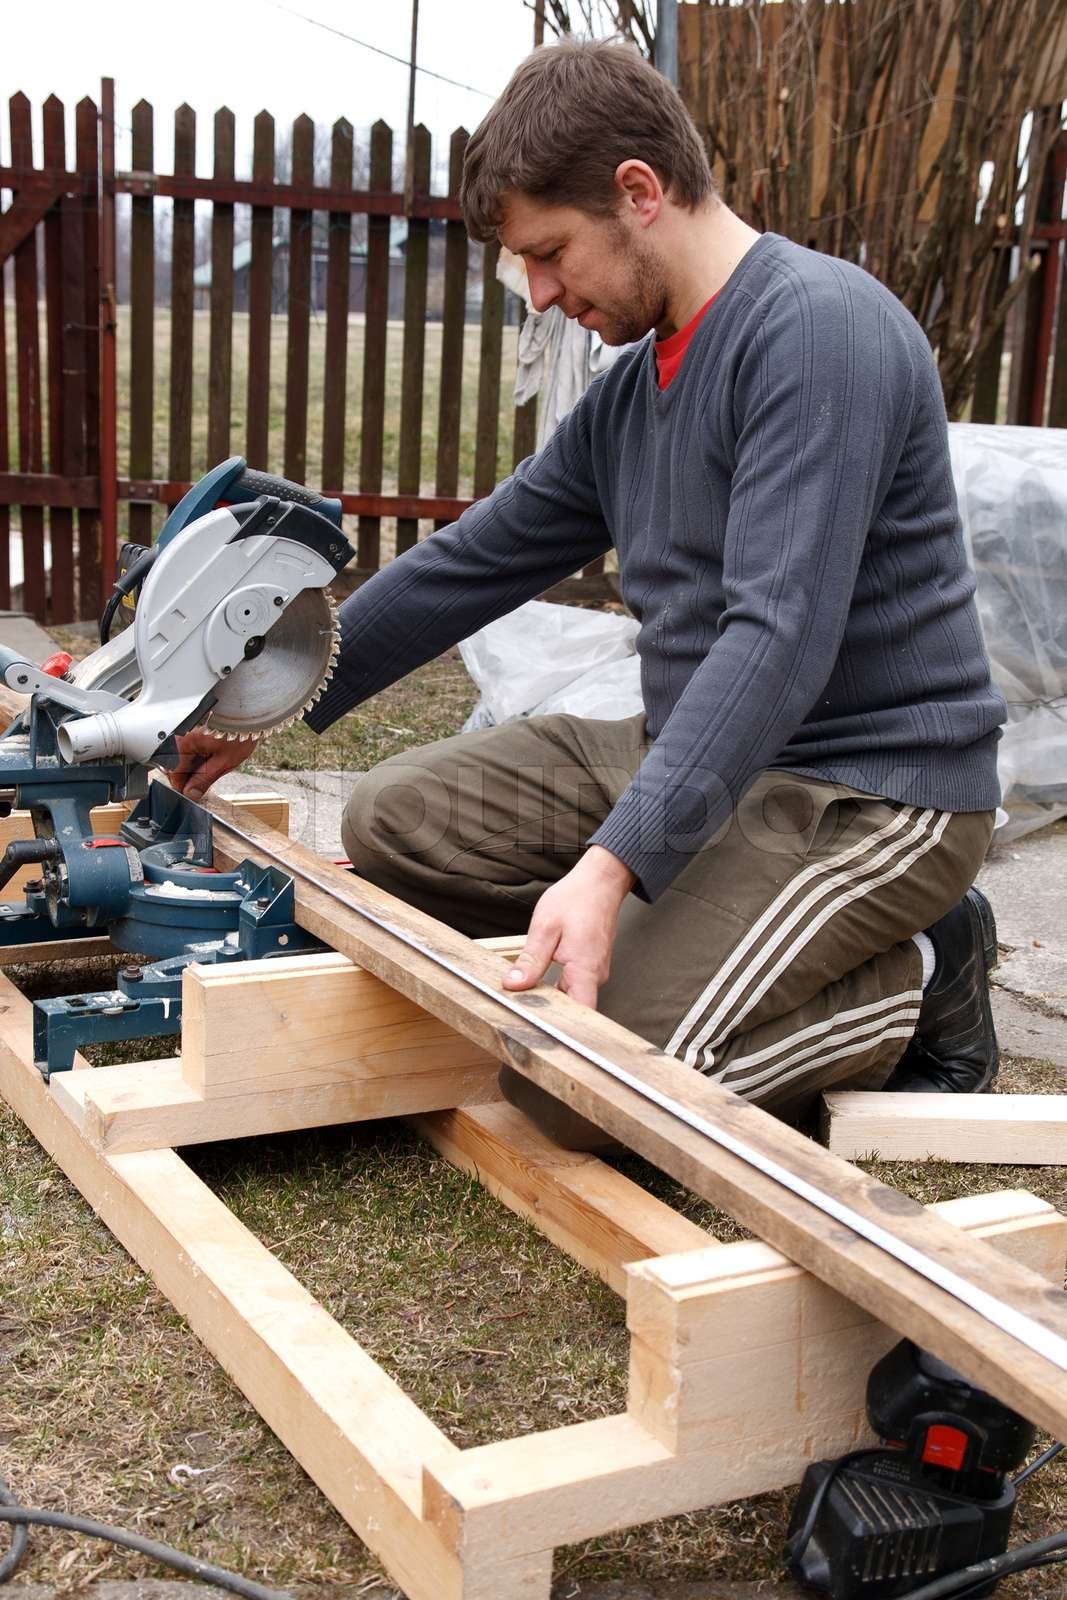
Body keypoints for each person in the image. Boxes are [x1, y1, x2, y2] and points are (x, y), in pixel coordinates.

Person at [174, 38, 1006, 1146]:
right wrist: (257, 697)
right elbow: (475, 559)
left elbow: (776, 639)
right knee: (392, 824)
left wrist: (611, 865)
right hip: (700, 758)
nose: (544, 293)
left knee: (572, 1080)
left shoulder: (815, 334)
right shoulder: (634, 391)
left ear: (638, 192)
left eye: (552, 253)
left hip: (862, 790)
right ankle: (713, 919)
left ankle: (910, 975)